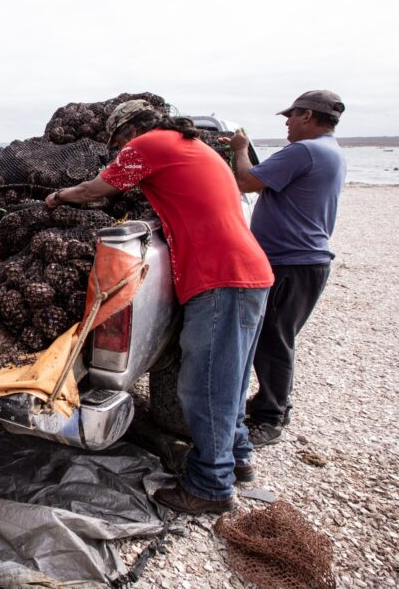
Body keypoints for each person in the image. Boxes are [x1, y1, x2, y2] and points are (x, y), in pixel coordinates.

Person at [46, 101, 273, 514]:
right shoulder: (193, 146)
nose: (117, 150)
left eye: (117, 141)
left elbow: (97, 188)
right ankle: (237, 459)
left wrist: (58, 197)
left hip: (220, 277)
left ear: (131, 129)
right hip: (247, 272)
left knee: (203, 386)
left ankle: (210, 487)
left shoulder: (148, 144)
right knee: (231, 379)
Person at [226, 90, 347, 447]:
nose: (287, 124)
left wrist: (239, 148)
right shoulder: (332, 151)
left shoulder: (305, 151)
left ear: (308, 115)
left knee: (272, 340)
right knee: (277, 336)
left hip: (292, 261)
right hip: (306, 261)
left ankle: (270, 418)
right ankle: (270, 404)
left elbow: (246, 182)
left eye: (290, 117)